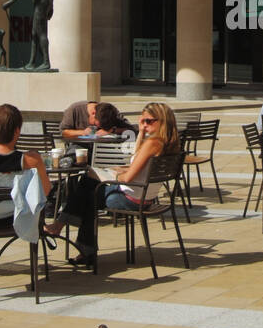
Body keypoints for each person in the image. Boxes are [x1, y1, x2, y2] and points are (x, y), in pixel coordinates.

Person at [44, 102, 180, 265]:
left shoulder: (152, 143)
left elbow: (129, 178)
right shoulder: (168, 143)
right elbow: (137, 162)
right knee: (88, 190)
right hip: (145, 196)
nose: (144, 124)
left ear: (163, 120)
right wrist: (141, 134)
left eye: (149, 121)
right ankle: (81, 248)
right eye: (142, 121)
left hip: (130, 199)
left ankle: (65, 231)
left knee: (87, 189)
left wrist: (112, 176)